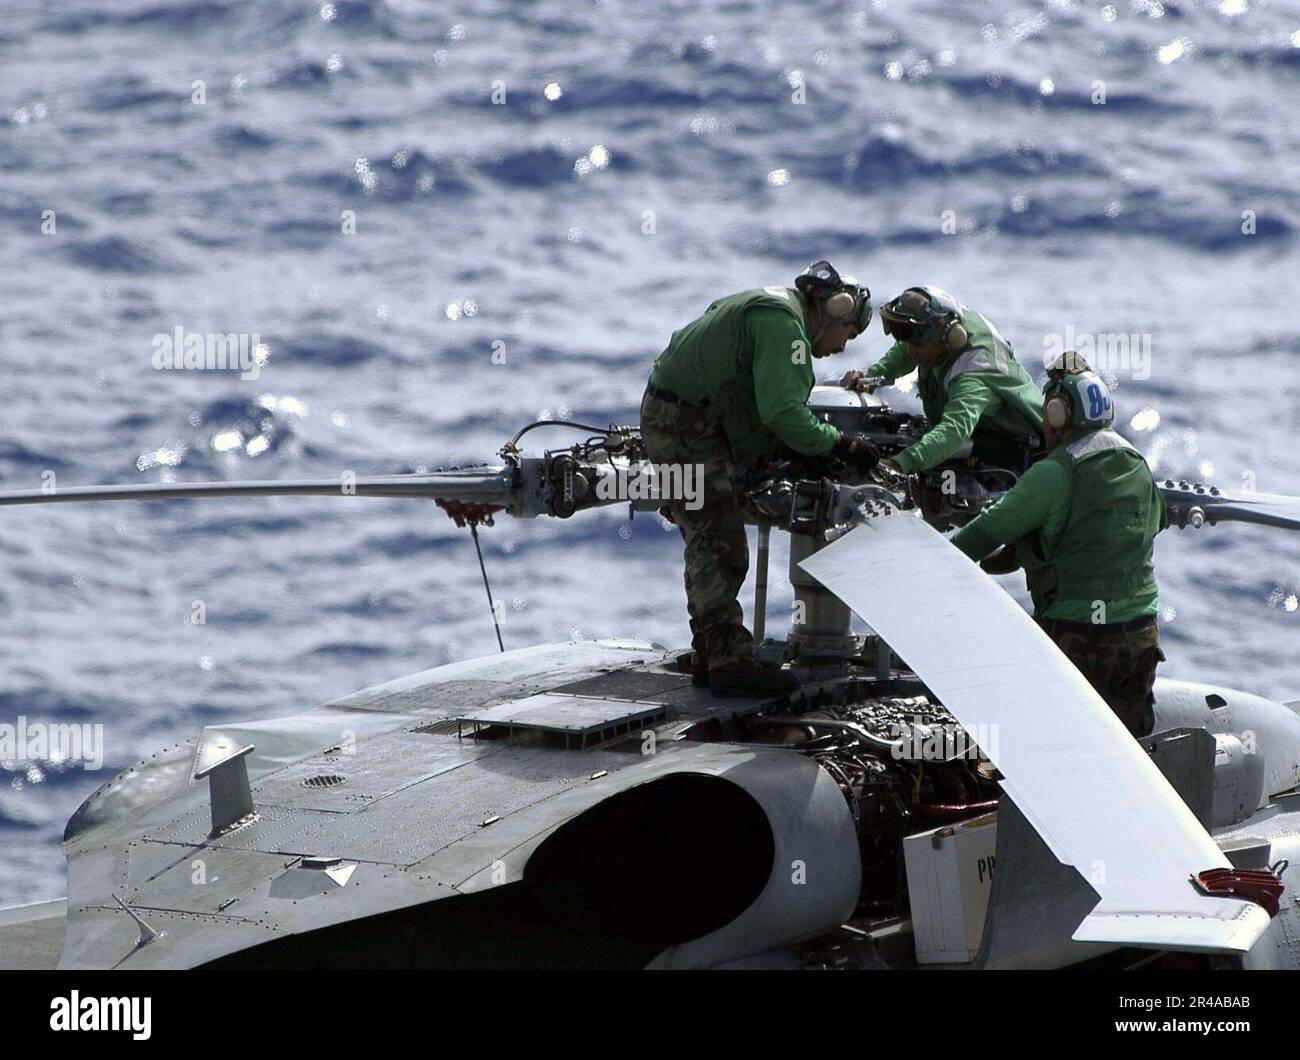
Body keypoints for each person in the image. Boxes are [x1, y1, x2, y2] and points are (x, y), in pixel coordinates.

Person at [641, 261, 880, 697]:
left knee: (708, 538)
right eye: (849, 333)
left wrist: (798, 450)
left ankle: (711, 652)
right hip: (685, 428)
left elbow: (748, 395)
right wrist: (838, 445)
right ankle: (730, 664)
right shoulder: (785, 326)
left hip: (680, 419)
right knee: (720, 543)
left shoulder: (770, 307)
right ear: (836, 309)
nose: (843, 347)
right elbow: (782, 412)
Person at [949, 354, 1167, 738]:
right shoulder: (1136, 462)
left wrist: (940, 562)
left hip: (1081, 636)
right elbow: (1154, 522)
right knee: (1128, 746)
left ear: (1057, 414)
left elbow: (985, 533)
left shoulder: (1054, 472)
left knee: (1052, 739)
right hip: (1140, 638)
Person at [840, 286, 1043, 478]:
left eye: (917, 344)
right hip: (978, 438)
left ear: (948, 339)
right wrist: (870, 379)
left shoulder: (974, 370)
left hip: (1018, 456)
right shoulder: (938, 331)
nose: (911, 351)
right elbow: (904, 353)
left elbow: (954, 431)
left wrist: (897, 465)